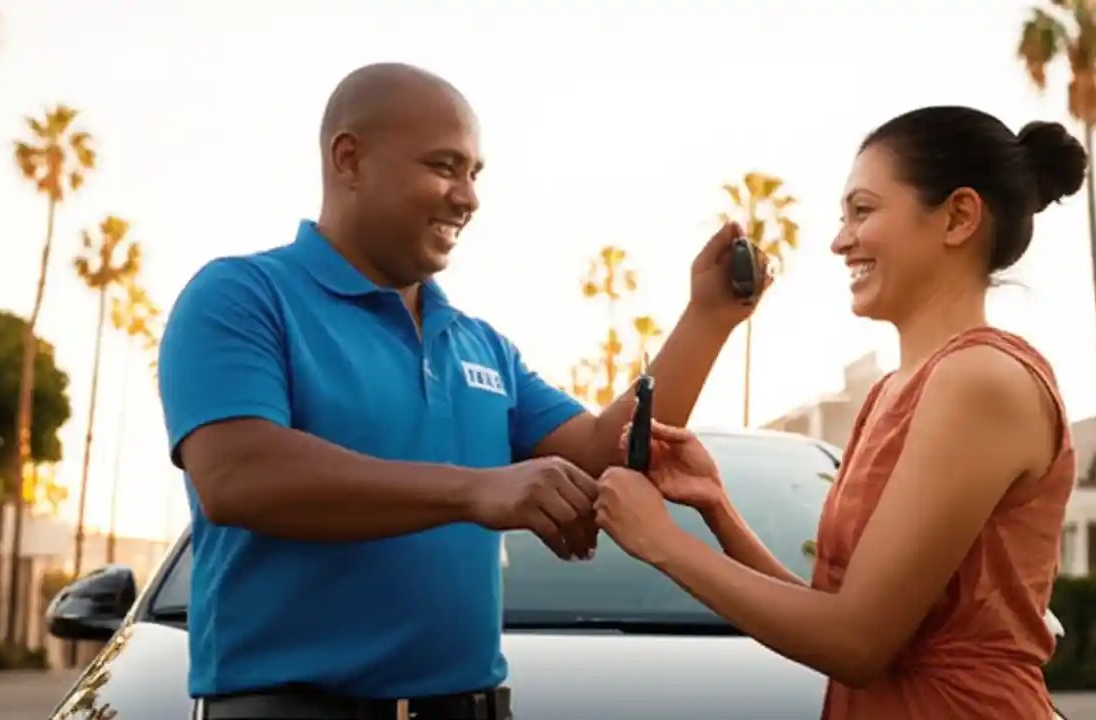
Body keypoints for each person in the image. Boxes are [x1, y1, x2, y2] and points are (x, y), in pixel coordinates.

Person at [157, 62, 769, 720]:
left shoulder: (481, 346)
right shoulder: (242, 296)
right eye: (444, 166)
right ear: (349, 159)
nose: (468, 197)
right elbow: (236, 474)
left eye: (474, 173)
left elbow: (606, 453)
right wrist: (477, 489)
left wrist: (707, 319)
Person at [593, 105, 1086, 719]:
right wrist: (719, 510)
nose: (839, 240)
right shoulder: (891, 392)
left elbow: (856, 643)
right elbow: (832, 617)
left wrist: (661, 541)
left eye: (863, 210)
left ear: (958, 217)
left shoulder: (981, 380)